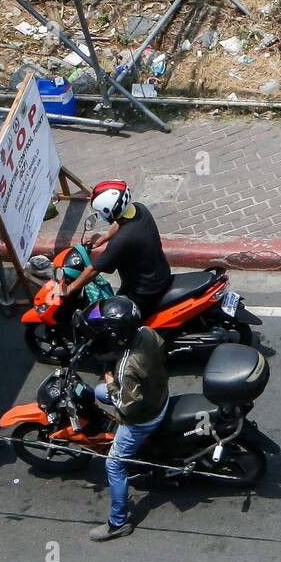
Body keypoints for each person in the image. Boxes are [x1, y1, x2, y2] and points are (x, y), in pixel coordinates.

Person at [85, 297, 170, 542]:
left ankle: (118, 522)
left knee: (113, 465)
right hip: (159, 393)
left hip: (143, 417)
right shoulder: (146, 332)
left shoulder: (126, 367)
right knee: (97, 391)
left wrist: (113, 384)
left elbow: (127, 407)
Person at [65, 180, 173, 323]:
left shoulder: (121, 241)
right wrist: (104, 237)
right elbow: (120, 222)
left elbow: (93, 269)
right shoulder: (140, 209)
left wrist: (70, 288)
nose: (100, 215)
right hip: (160, 273)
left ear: (110, 211)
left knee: (115, 320)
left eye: (101, 211)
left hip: (144, 292)